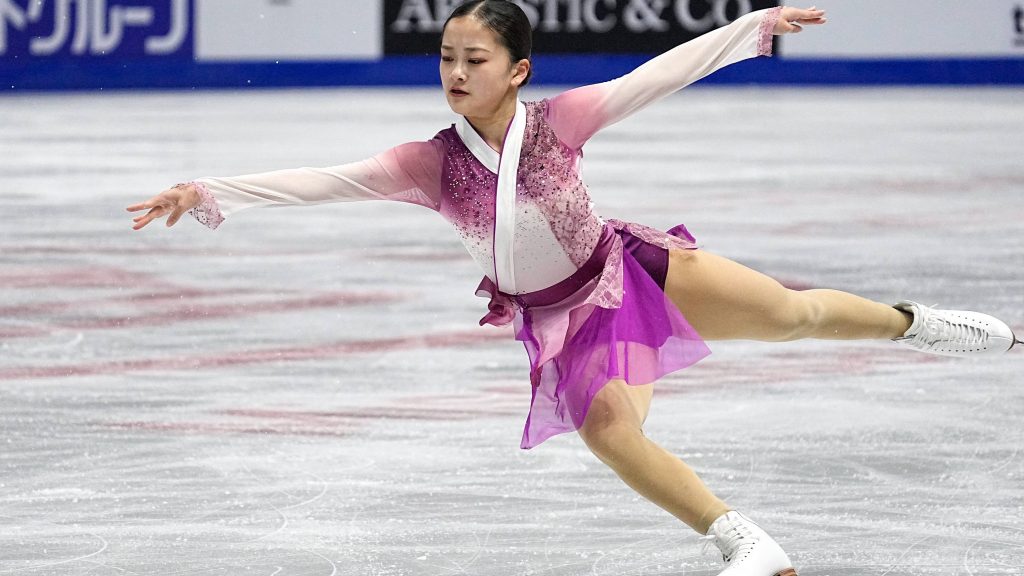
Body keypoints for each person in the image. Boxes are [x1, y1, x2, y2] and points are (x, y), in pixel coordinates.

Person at [126, 2, 1019, 575]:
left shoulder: (563, 121)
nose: (455, 72)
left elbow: (654, 75)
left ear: (516, 70)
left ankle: (920, 325)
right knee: (608, 431)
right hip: (568, 320)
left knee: (794, 314)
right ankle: (744, 540)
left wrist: (751, 30)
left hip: (633, 268)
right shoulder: (427, 164)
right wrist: (208, 192)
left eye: (475, 58)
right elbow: (325, 179)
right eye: (446, 57)